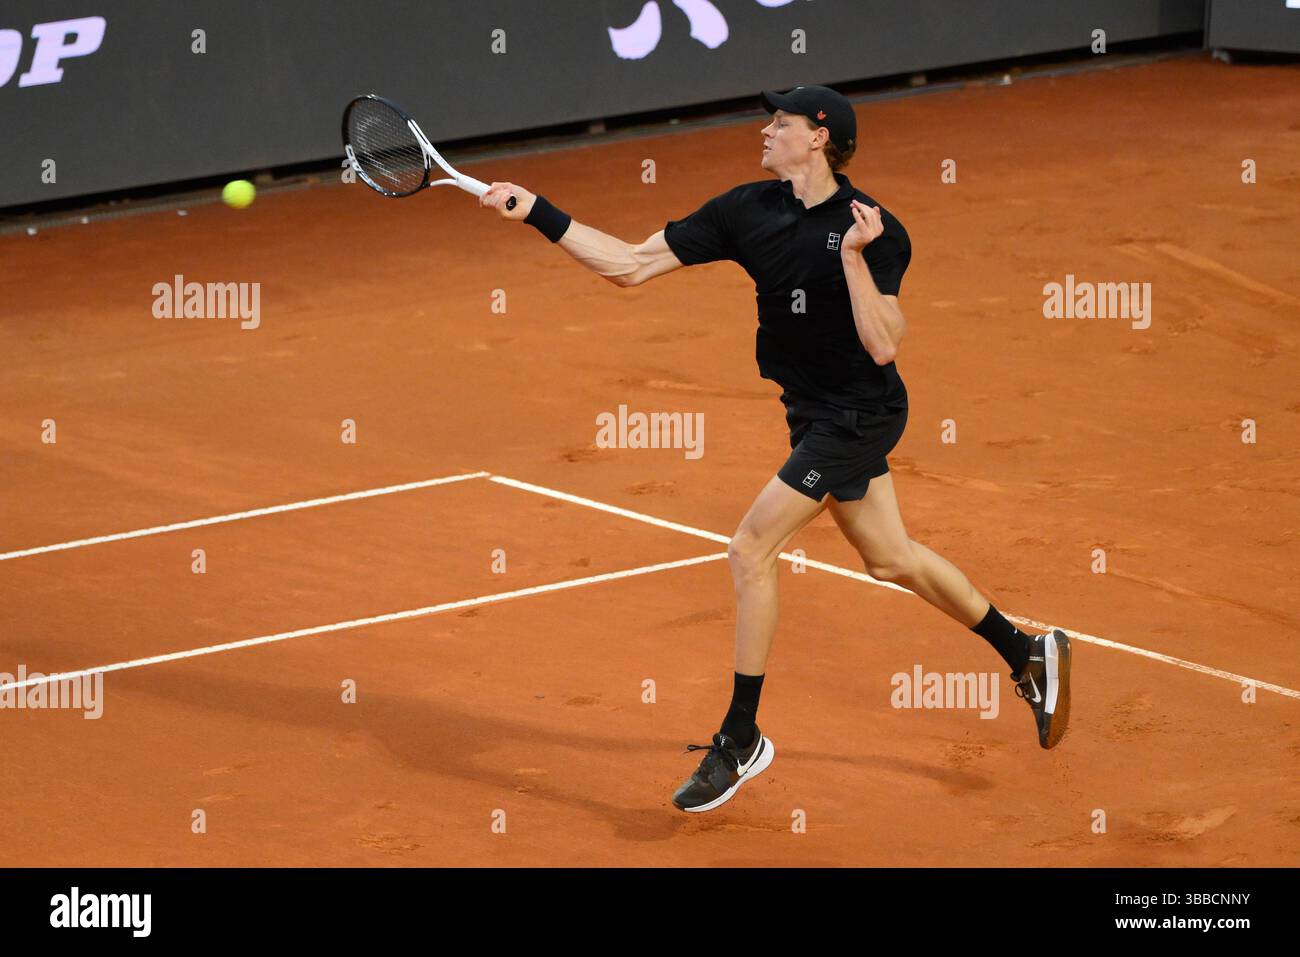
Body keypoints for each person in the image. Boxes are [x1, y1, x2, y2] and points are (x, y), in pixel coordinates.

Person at [480, 85, 1071, 814]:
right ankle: (1027, 652)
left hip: (858, 415)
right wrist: (537, 209)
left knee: (750, 548)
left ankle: (740, 735)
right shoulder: (744, 210)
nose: (765, 131)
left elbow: (884, 342)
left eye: (781, 122)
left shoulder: (875, 229)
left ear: (820, 138)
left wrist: (854, 258)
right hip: (810, 411)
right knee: (890, 556)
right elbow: (630, 264)